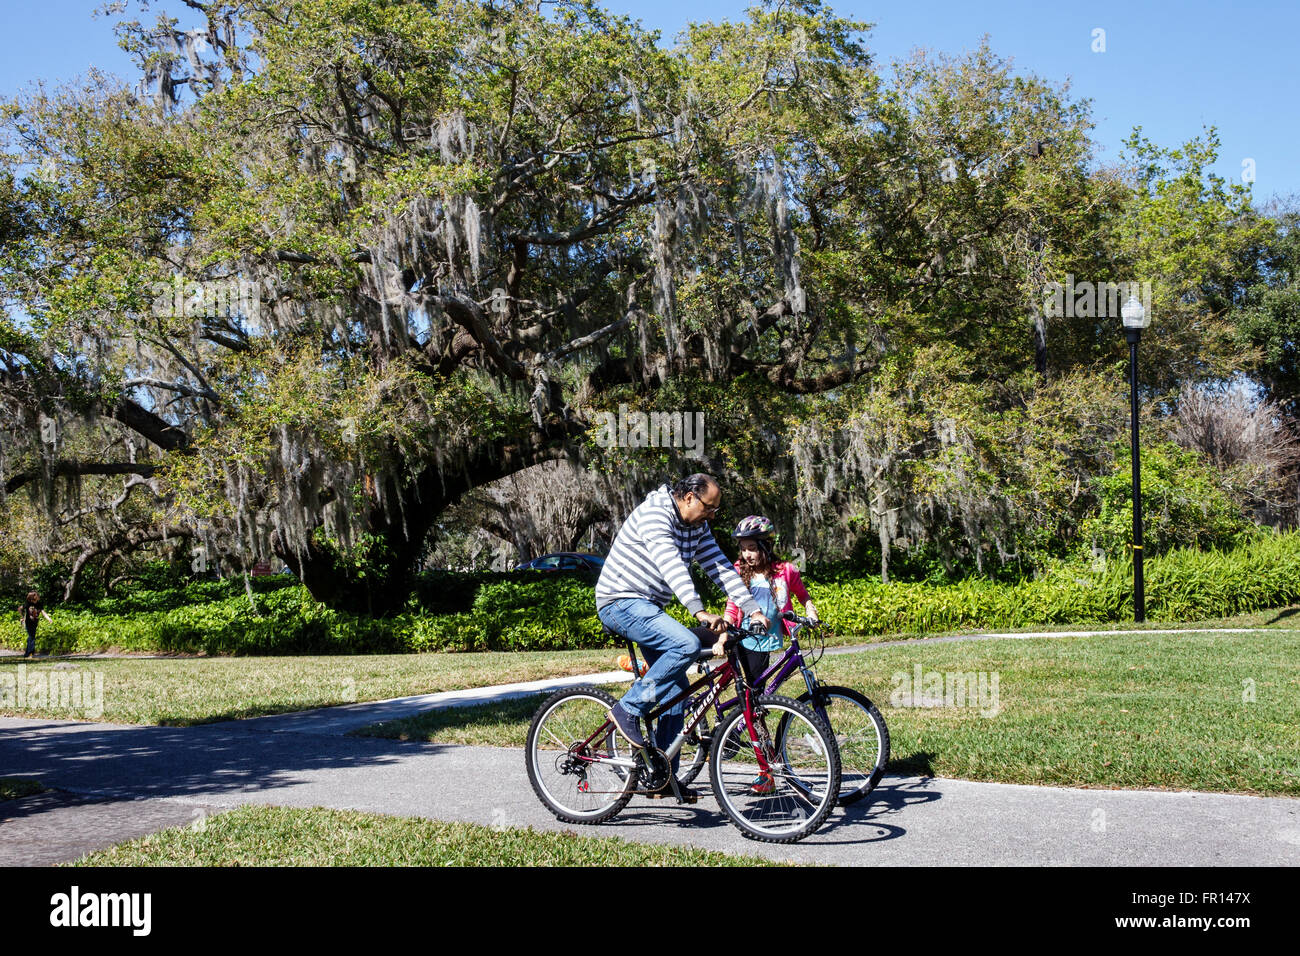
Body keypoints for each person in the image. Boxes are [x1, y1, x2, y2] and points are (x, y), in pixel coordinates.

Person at [596, 474, 770, 798]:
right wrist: (699, 611)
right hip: (619, 601)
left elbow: (718, 566)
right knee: (686, 644)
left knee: (676, 688)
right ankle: (627, 709)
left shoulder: (696, 525)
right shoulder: (655, 514)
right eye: (710, 507)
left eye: (717, 509)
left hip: (648, 607)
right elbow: (671, 565)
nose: (713, 515)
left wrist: (753, 608)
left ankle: (662, 778)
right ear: (689, 497)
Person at [722, 515, 817, 793]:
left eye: (752, 547)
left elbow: (802, 594)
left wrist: (810, 612)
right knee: (755, 707)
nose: (747, 554)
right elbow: (732, 604)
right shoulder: (739, 570)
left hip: (768, 643)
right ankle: (767, 769)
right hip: (745, 643)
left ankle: (750, 743)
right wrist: (727, 628)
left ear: (766, 546)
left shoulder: (785, 570)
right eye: (743, 548)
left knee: (756, 703)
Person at [21, 591, 52, 658]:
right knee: (32, 636)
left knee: (31, 637)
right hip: (28, 622)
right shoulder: (28, 604)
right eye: (37, 595)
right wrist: (22, 617)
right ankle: (31, 652)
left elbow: (43, 612)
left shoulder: (39, 604)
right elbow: (20, 609)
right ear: (34, 597)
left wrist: (48, 618)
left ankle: (27, 653)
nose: (38, 596)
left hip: (35, 623)